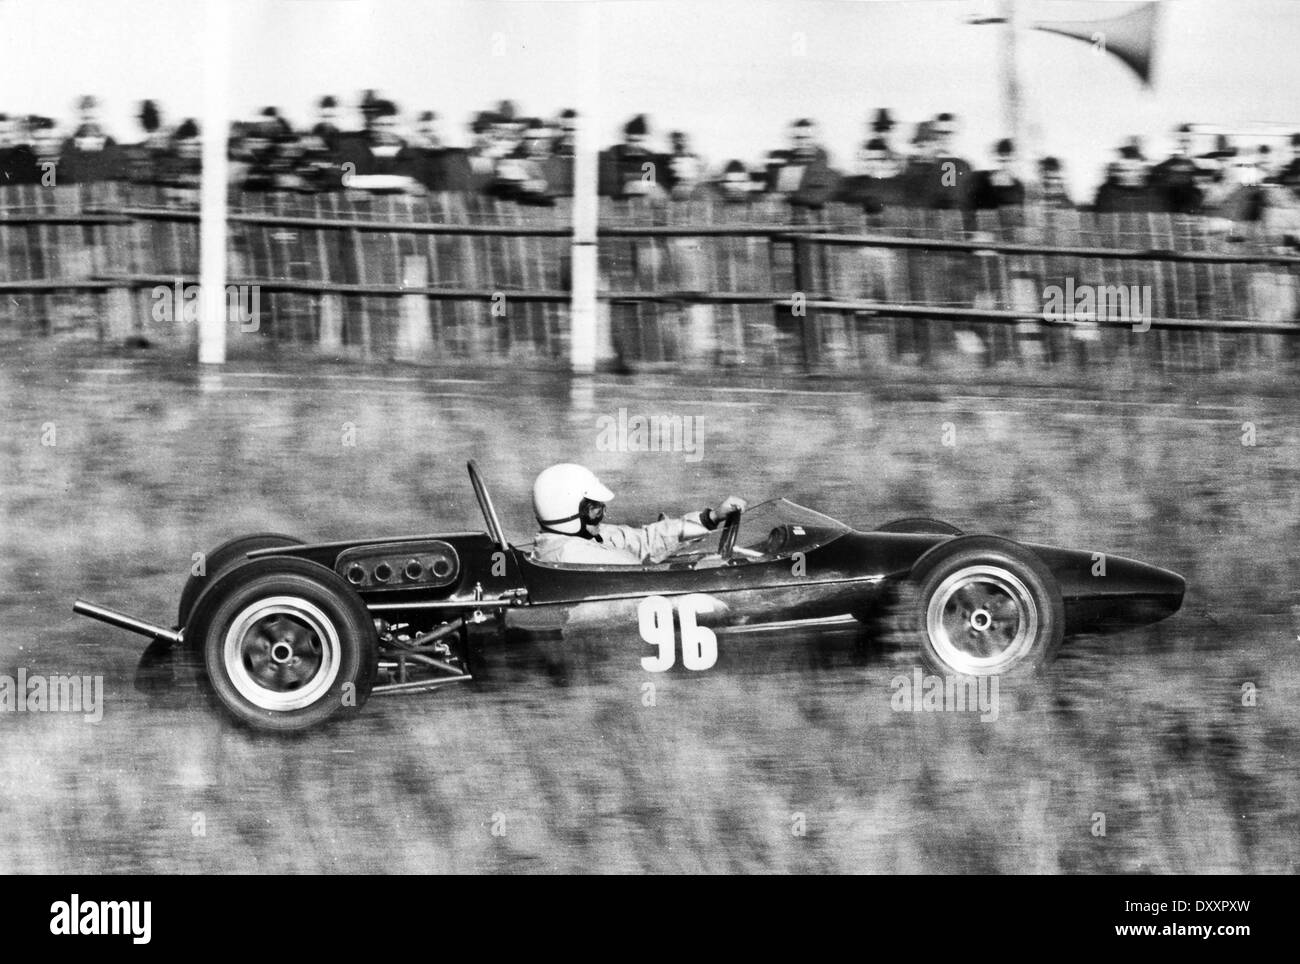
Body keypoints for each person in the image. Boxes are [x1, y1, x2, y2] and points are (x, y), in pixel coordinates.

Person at [530, 463, 746, 566]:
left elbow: (642, 541)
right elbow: (639, 570)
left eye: (600, 507)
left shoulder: (581, 536)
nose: (602, 514)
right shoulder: (570, 555)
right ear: (567, 512)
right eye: (594, 509)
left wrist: (712, 517)